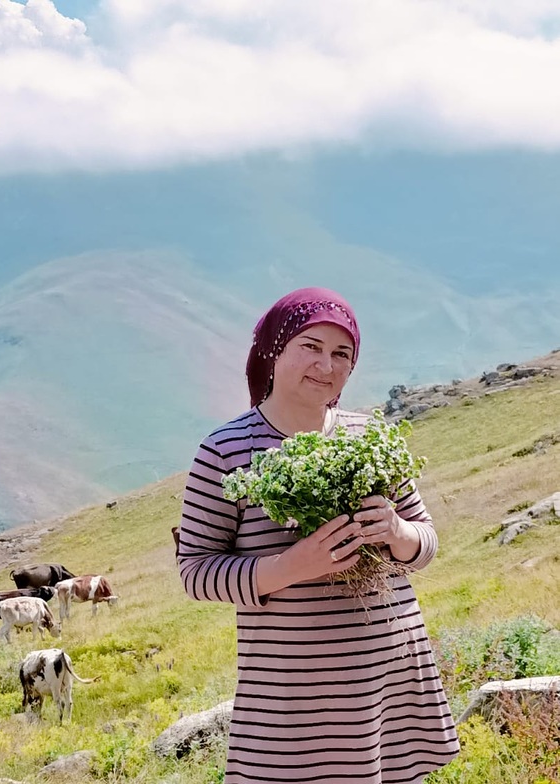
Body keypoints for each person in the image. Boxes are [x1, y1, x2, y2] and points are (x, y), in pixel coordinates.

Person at [176, 287, 459, 784]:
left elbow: (425, 543)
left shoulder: (369, 436)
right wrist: (288, 568)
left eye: (341, 353)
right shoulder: (224, 451)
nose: (326, 366)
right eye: (310, 347)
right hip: (294, 696)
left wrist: (396, 532)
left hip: (388, 681)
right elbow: (196, 571)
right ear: (273, 349)